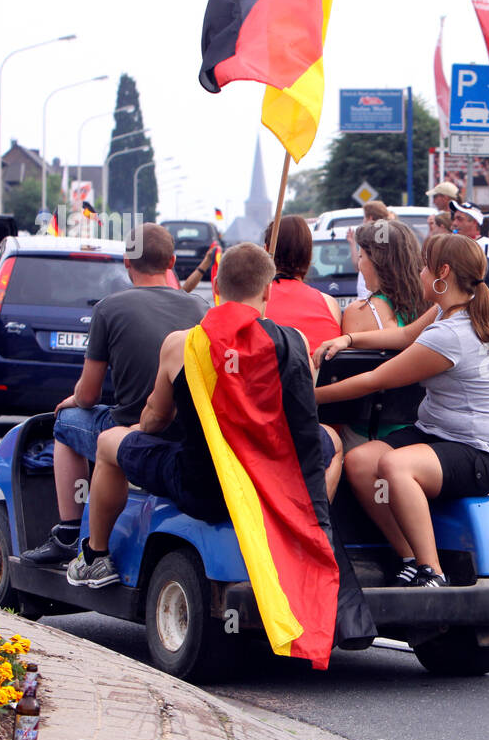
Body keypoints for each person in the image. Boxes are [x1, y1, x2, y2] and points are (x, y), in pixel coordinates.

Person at [70, 243, 344, 587]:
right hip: (272, 483)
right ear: (267, 290)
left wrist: (138, 427)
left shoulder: (181, 344)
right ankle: (305, 532)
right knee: (332, 440)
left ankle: (96, 556)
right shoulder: (296, 342)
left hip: (203, 486)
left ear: (216, 288)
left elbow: (156, 419)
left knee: (109, 442)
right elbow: (302, 415)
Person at [315, 234, 489, 588]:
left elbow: (375, 380)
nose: (419, 273)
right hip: (438, 434)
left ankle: (431, 570)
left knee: (394, 465)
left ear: (443, 273)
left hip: (478, 452)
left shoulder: (451, 334)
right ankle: (408, 555)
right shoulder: (444, 311)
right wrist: (349, 339)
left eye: (424, 266)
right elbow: (404, 337)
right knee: (360, 462)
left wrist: (309, 397)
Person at [23, 224, 208, 564]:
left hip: (131, 427)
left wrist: (72, 400)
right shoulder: (200, 307)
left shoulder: (109, 308)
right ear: (171, 261)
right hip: (187, 434)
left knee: (66, 422)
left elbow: (90, 394)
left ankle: (68, 531)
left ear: (127, 262)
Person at [262, 215, 344, 355]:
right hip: (321, 377)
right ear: (309, 253)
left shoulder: (255, 303)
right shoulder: (330, 304)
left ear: (267, 250)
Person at [341, 219, 428, 335]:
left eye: (361, 256)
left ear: (376, 262)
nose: (359, 264)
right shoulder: (431, 305)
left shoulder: (358, 312)